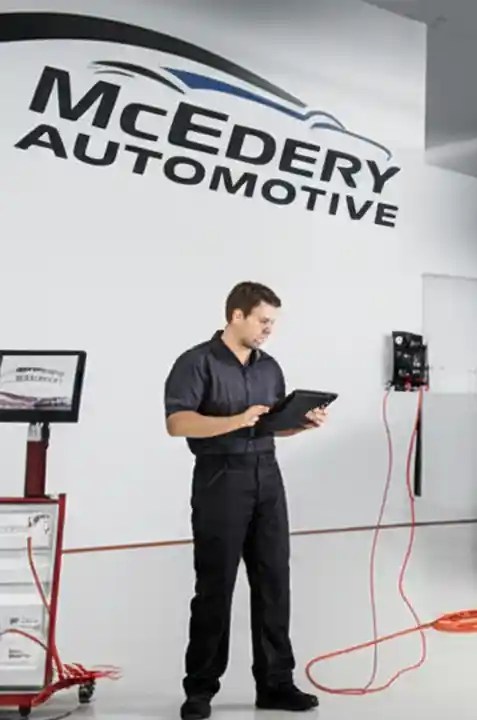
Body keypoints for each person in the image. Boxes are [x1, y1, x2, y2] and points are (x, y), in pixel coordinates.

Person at [163, 281, 327, 720]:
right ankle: (199, 689)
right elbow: (178, 423)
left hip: (267, 479)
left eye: (273, 323)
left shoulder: (269, 367)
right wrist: (236, 420)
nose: (269, 330)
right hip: (221, 479)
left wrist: (299, 424)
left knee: (274, 582)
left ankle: (275, 683)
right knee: (215, 587)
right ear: (237, 315)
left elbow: (267, 426)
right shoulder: (196, 362)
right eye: (263, 321)